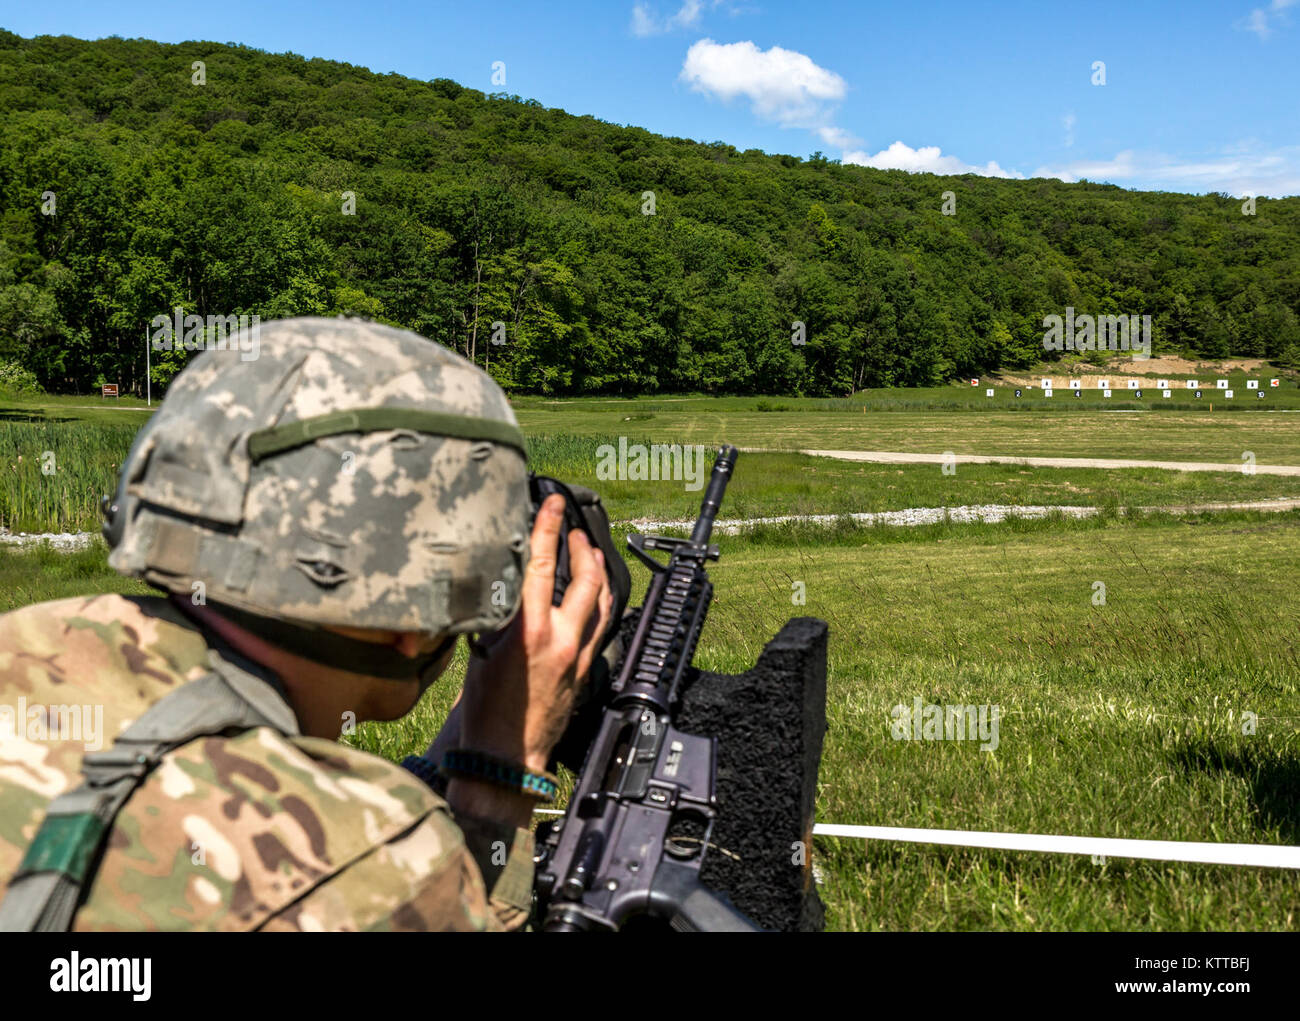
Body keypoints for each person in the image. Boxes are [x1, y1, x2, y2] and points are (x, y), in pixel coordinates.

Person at [0, 317, 611, 931]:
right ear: (411, 621)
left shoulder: (24, 640)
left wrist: (442, 760)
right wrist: (500, 777)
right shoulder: (375, 878)